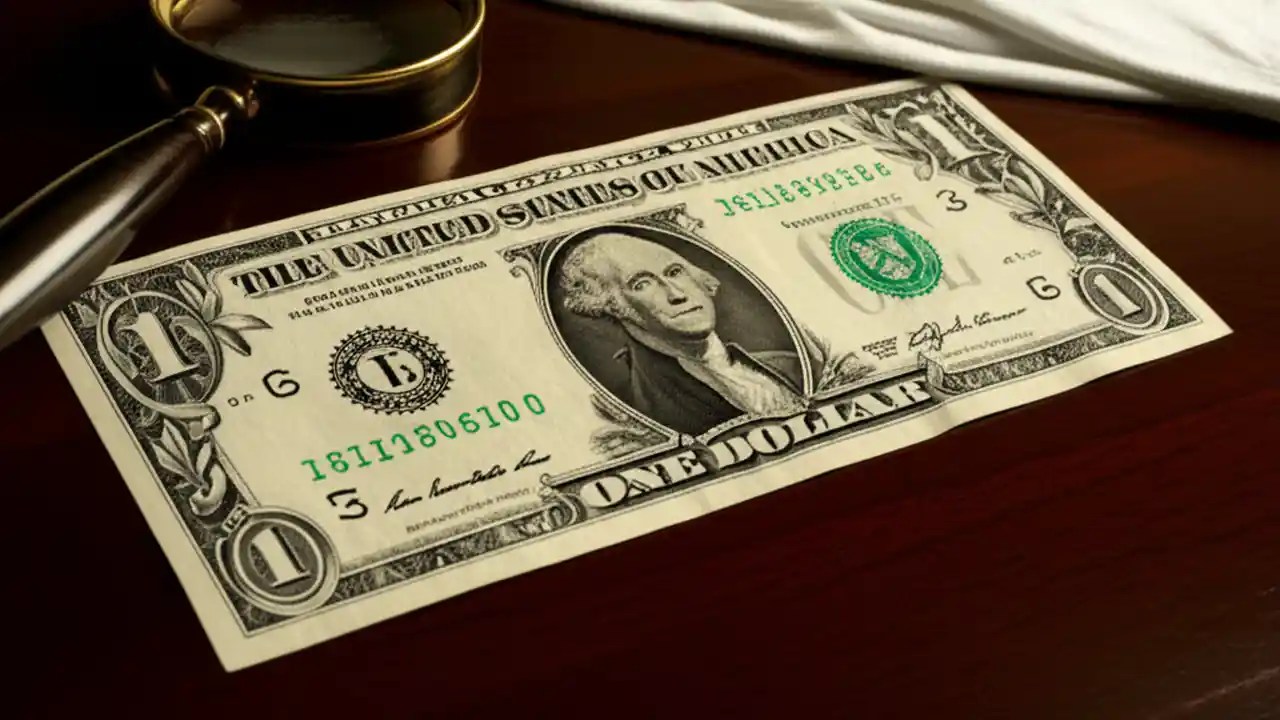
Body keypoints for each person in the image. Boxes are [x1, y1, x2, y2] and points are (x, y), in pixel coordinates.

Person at [559, 230, 808, 436]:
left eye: (675, 272)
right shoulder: (641, 413)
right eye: (642, 284)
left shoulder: (790, 366)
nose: (677, 294)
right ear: (611, 304)